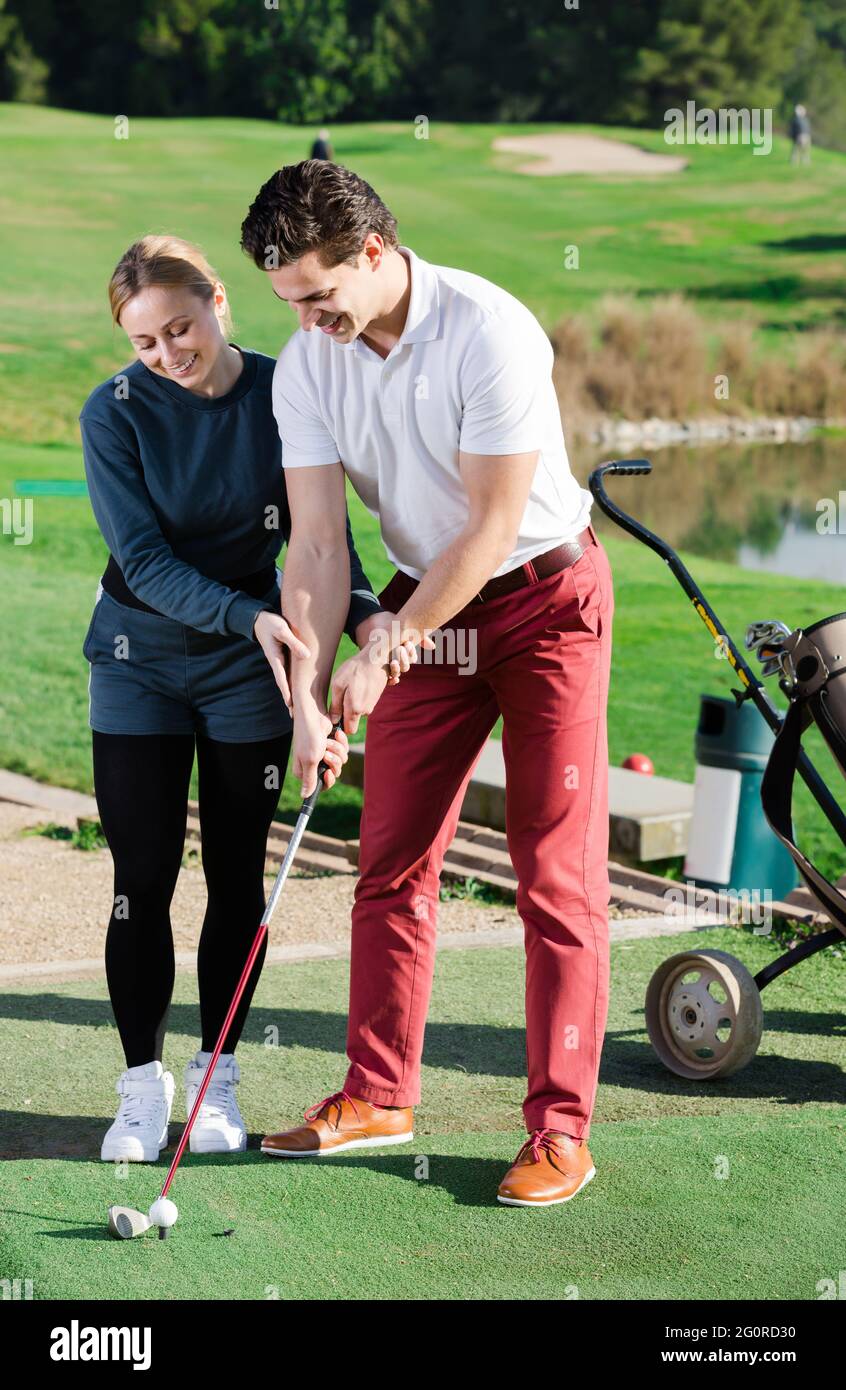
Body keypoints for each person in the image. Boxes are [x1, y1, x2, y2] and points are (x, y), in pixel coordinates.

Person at [241, 162, 615, 1208]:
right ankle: (377, 1091)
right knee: (390, 856)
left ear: (373, 251)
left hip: (545, 601)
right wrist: (313, 691)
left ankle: (560, 1129)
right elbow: (316, 542)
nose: (308, 322)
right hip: (422, 607)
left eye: (320, 296)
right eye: (289, 305)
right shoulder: (309, 366)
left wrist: (390, 641)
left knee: (554, 873)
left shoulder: (491, 329)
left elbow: (491, 525)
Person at [80, 234, 416, 1163]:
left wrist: (366, 626)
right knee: (139, 879)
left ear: (220, 302)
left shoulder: (287, 389)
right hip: (138, 657)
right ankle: (141, 1091)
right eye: (145, 343)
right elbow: (143, 564)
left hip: (252, 666)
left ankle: (216, 1083)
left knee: (237, 881)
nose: (167, 355)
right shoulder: (110, 412)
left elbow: (318, 542)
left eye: (180, 328)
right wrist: (252, 616)